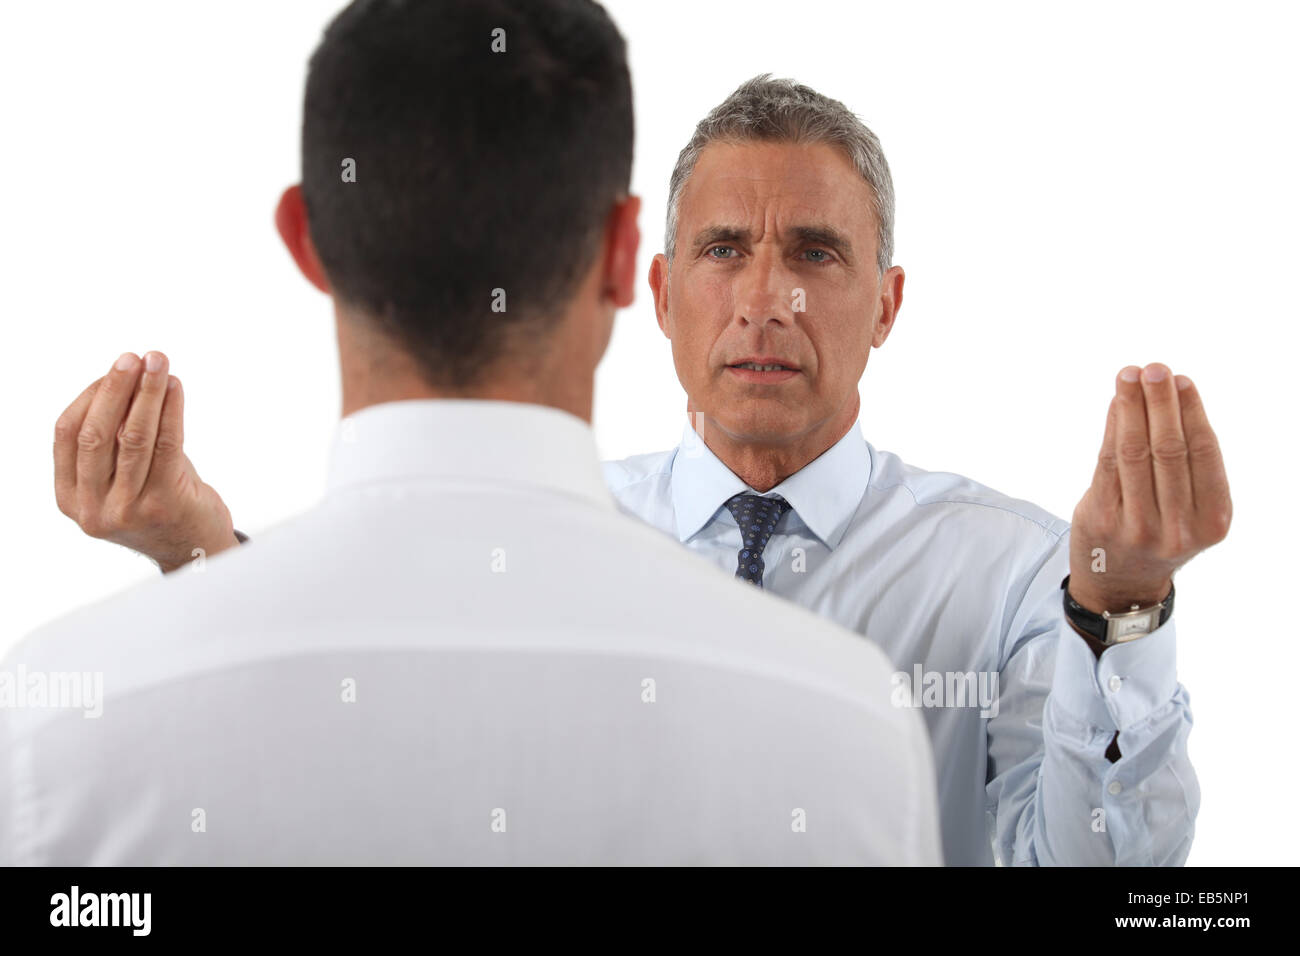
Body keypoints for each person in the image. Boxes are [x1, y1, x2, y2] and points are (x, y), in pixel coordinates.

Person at [46, 71, 1233, 868]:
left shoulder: (1015, 573)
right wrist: (196, 548)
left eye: (815, 251)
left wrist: (1118, 606)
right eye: (723, 250)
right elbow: (365, 698)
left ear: (885, 304)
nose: (765, 298)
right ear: (658, 295)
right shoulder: (545, 524)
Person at [1, 0, 942, 866]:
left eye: (813, 253)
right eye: (727, 249)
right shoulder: (851, 730)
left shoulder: (58, 720)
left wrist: (204, 575)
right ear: (628, 262)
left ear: (308, 240)